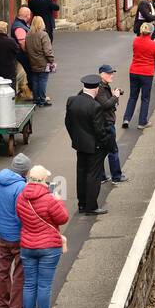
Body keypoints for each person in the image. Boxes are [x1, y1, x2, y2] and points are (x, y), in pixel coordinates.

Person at [16, 165, 68, 308]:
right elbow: (62, 218)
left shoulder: (21, 197)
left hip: (27, 246)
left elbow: (20, 217)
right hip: (48, 247)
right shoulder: (49, 199)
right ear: (43, 180)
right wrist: (59, 200)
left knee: (29, 284)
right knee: (44, 286)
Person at [0, 153, 31, 308]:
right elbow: (22, 214)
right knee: (20, 273)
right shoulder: (21, 187)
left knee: (2, 270)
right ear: (24, 171)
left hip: (3, 234)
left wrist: (0, 224)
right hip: (18, 236)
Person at [66, 75, 109, 215]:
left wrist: (75, 138)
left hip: (79, 144)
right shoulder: (95, 106)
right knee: (93, 176)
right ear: (96, 89)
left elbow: (68, 123)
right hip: (94, 147)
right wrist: (104, 144)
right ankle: (91, 206)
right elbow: (99, 130)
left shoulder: (72, 101)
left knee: (81, 173)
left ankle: (82, 204)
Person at [124, 23, 155, 128]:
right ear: (151, 32)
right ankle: (142, 122)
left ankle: (126, 119)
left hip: (134, 71)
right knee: (145, 98)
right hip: (146, 73)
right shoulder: (153, 44)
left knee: (132, 96)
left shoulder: (135, 41)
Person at [96, 65, 127, 184]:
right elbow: (105, 105)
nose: (111, 75)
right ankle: (116, 176)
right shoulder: (101, 88)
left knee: (101, 150)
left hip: (103, 123)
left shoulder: (103, 86)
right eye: (109, 73)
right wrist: (115, 96)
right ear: (101, 74)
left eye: (112, 73)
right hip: (106, 123)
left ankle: (102, 176)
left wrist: (114, 94)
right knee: (112, 150)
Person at [25, 15, 55, 106]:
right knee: (43, 81)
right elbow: (47, 50)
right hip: (43, 61)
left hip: (33, 61)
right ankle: (42, 100)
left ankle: (36, 99)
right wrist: (51, 60)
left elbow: (26, 49)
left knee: (35, 80)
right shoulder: (43, 34)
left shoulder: (28, 35)